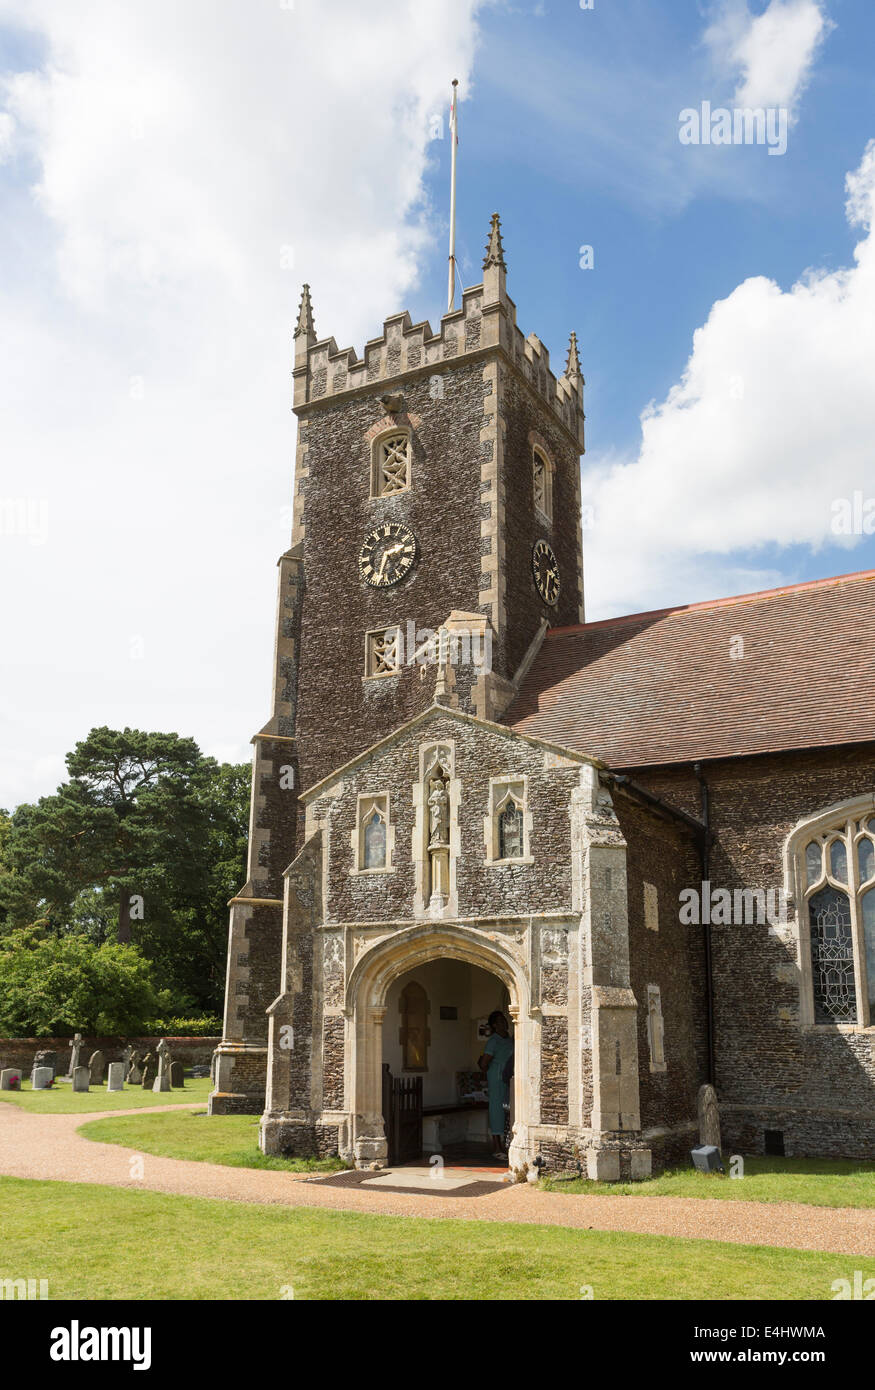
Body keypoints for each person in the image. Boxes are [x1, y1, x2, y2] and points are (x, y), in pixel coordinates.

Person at [478, 1010, 514, 1159]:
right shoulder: (493, 1040)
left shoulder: (509, 1039)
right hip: (497, 1077)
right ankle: (496, 1147)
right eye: (500, 1021)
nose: (504, 1023)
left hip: (509, 1077)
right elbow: (484, 1062)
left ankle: (507, 1144)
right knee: (497, 1109)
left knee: (508, 1108)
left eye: (504, 1020)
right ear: (494, 1025)